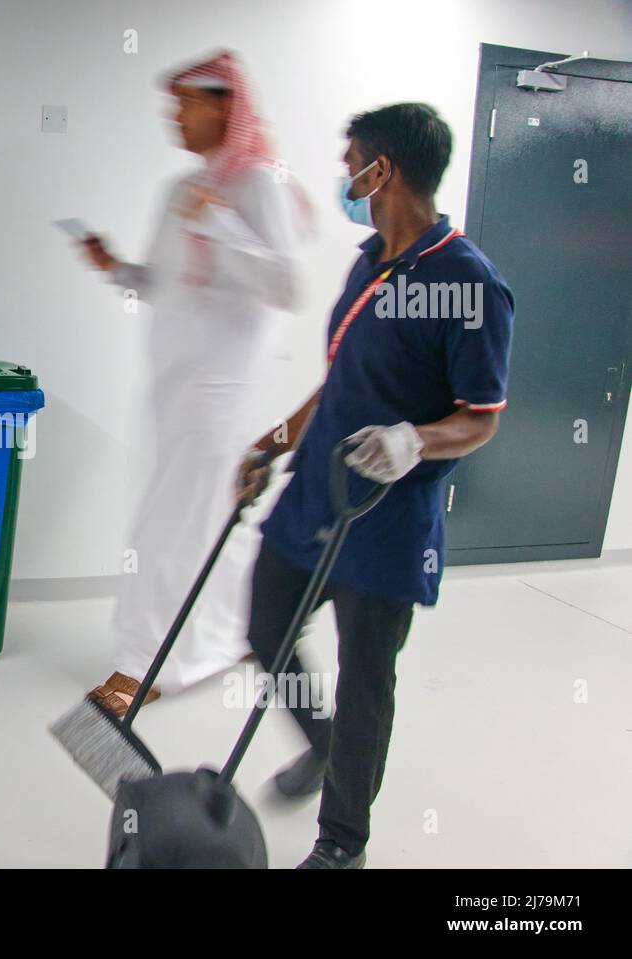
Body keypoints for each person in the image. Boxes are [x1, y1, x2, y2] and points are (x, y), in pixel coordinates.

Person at [237, 102, 514, 868]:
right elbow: (340, 382)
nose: (344, 175)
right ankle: (323, 744)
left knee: (365, 680)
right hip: (314, 491)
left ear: (381, 170)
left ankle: (340, 843)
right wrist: (269, 444)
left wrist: (414, 440)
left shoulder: (469, 281)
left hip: (386, 516)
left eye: (350, 159)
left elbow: (483, 416)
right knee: (266, 627)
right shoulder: (371, 261)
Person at [76, 50, 311, 716]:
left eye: (186, 103)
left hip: (221, 394)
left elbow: (289, 284)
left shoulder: (258, 183)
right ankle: (225, 635)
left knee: (177, 526)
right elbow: (161, 284)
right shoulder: (184, 189)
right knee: (199, 520)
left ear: (225, 106)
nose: (174, 115)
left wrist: (219, 221)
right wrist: (115, 267)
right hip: (174, 387)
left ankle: (148, 664)